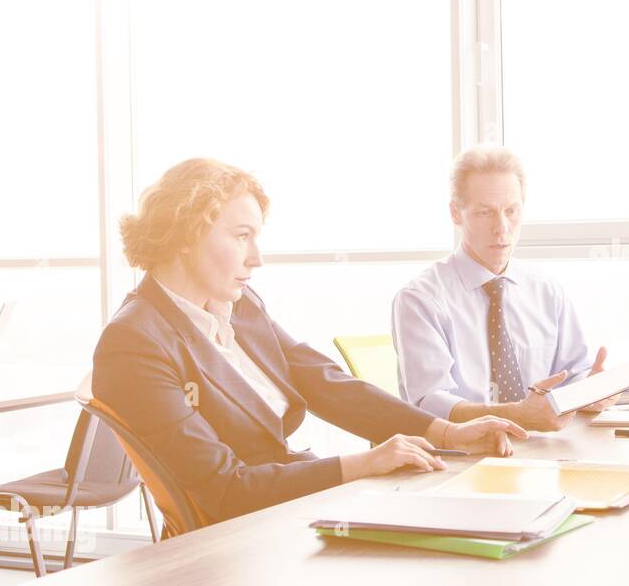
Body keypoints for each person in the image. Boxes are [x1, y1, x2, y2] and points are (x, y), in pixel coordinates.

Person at [93, 158, 525, 533]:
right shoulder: (134, 344)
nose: (256, 257)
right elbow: (225, 491)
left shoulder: (237, 305)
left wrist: (448, 433)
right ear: (187, 234)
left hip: (295, 511)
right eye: (242, 236)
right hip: (240, 542)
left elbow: (325, 383)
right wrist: (363, 464)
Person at [392, 147, 615, 432]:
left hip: (545, 454)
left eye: (511, 211)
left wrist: (595, 390)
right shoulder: (420, 300)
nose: (502, 227)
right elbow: (429, 403)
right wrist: (517, 415)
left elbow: (574, 373)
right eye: (485, 213)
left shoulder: (547, 292)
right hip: (461, 458)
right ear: (455, 213)